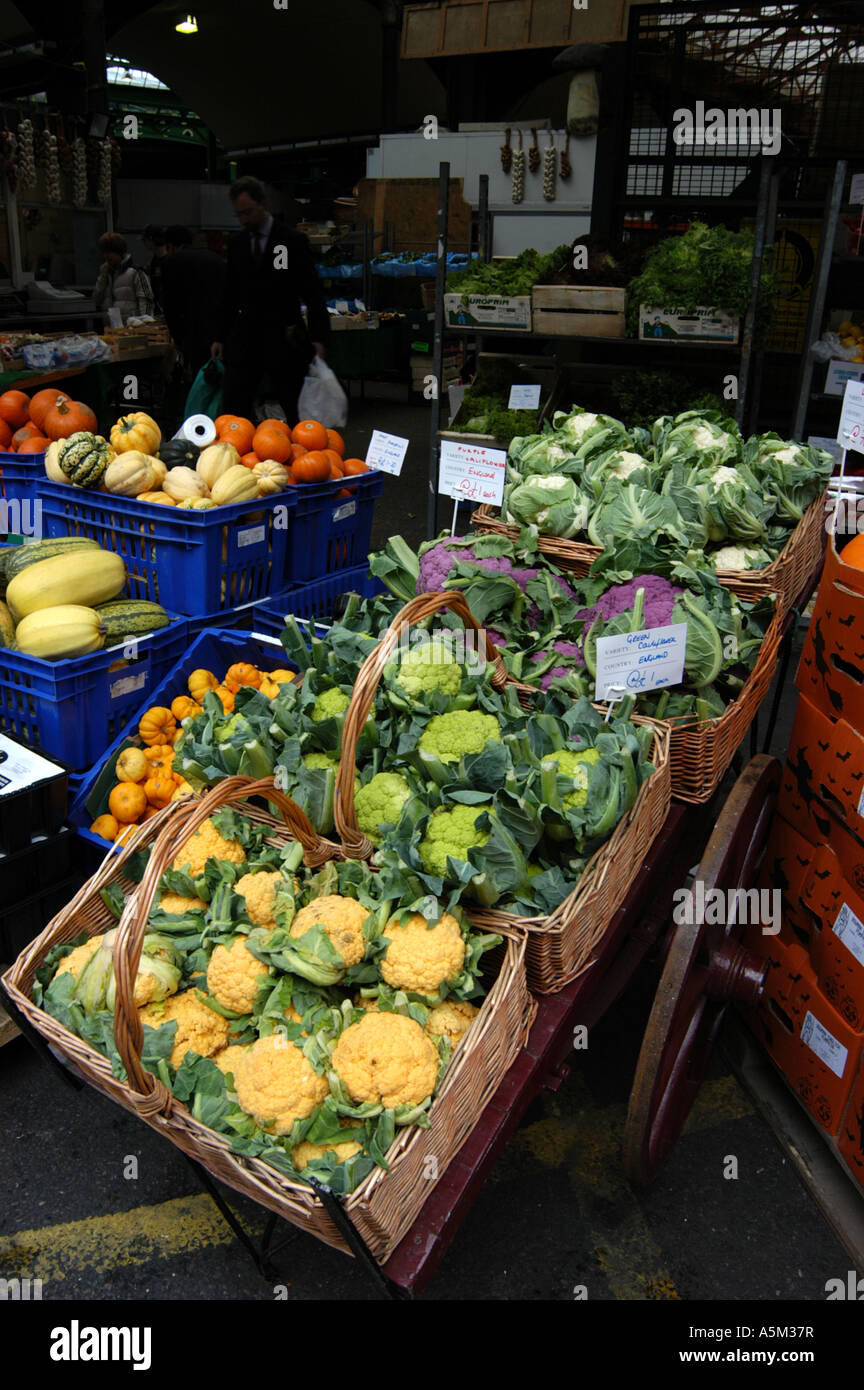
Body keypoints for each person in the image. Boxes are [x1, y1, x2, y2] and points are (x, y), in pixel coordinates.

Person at [211, 175, 329, 425]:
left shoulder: (291, 241)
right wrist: (220, 335)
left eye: (248, 212)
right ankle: (234, 452)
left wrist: (318, 337)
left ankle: (305, 454)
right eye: (239, 215)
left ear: (263, 204)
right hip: (246, 335)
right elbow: (229, 293)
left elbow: (313, 291)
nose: (244, 220)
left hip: (284, 334)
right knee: (235, 404)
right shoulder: (237, 244)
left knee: (294, 403)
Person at [160, 225, 227, 379]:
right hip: (220, 331)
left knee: (199, 379)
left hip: (194, 332)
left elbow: (170, 305)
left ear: (170, 245)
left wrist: (177, 338)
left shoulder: (171, 262)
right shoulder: (216, 259)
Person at [93, 232, 155, 323]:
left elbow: (145, 301)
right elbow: (97, 300)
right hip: (112, 328)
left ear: (119, 251)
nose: (106, 256)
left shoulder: (136, 272)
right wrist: (102, 277)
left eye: (109, 252)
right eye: (104, 252)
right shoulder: (107, 274)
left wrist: (145, 325)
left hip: (133, 327)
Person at [142, 224, 167, 310]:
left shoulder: (168, 260)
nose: (144, 244)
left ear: (151, 239)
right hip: (158, 305)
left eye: (144, 240)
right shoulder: (155, 260)